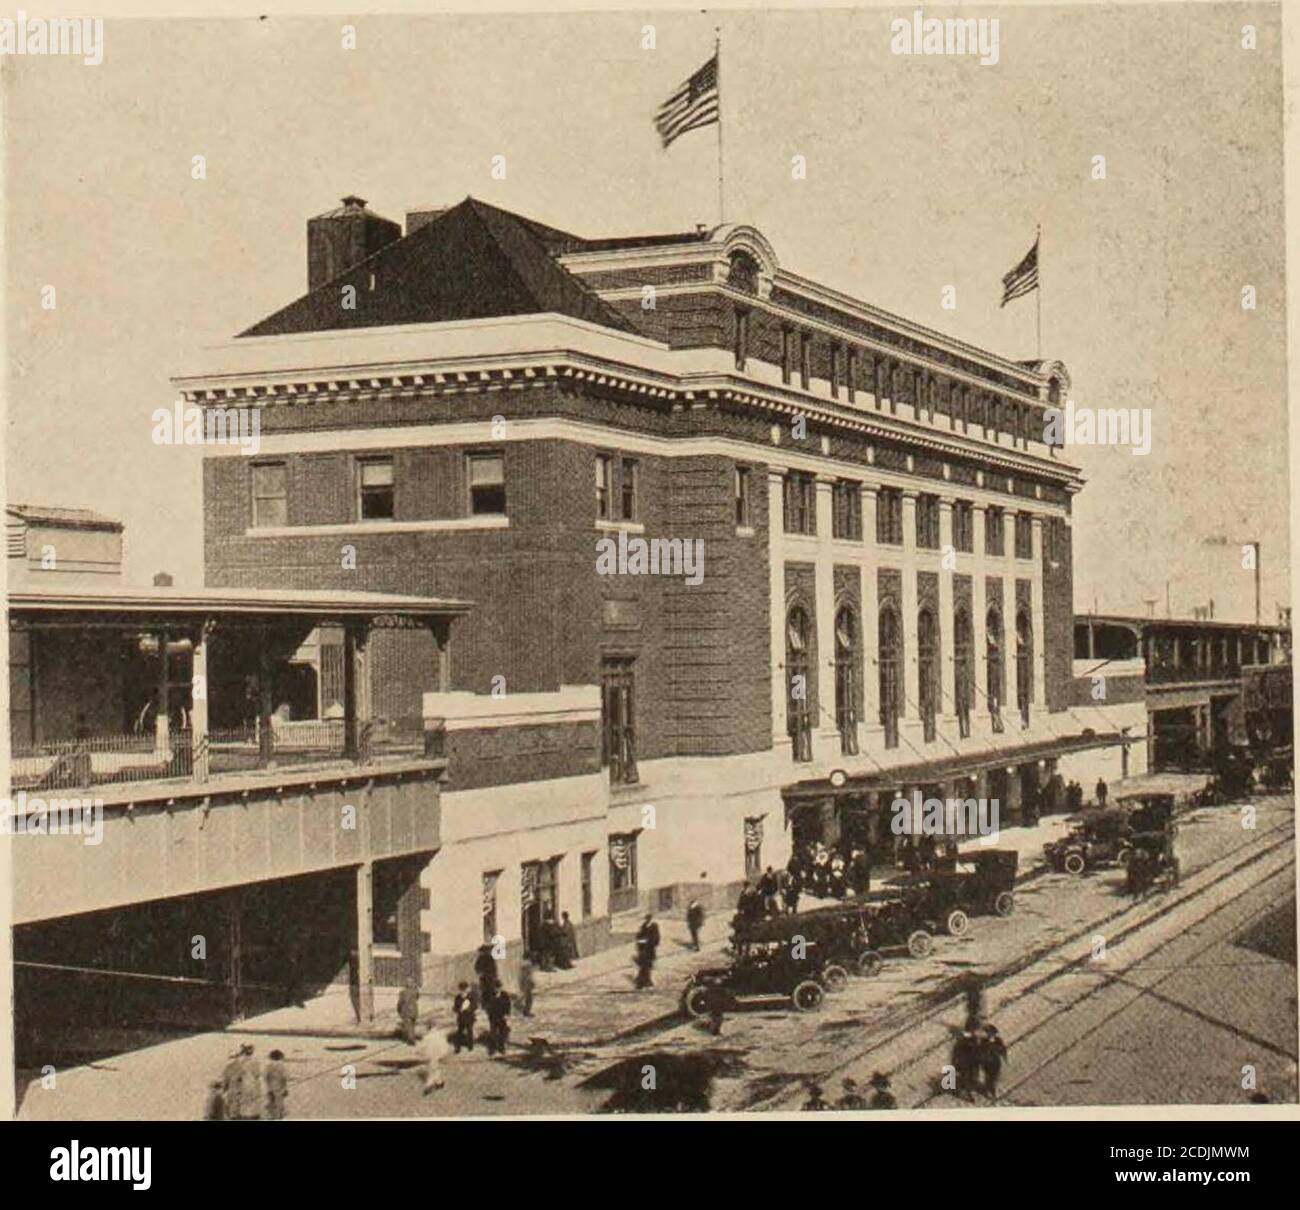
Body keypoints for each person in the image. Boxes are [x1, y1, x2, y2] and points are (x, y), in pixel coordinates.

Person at [220, 1042, 263, 1121]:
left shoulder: (234, 1064)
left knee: (234, 1110)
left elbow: (226, 1080)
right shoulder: (252, 1062)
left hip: (237, 1090)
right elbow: (256, 1075)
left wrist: (224, 1089)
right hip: (244, 1090)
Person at [417, 1021, 450, 1094]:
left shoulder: (427, 1037)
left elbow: (422, 1046)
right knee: (436, 1068)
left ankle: (429, 1085)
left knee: (431, 1069)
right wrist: (445, 1053)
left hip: (430, 1054)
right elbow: (445, 1045)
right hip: (439, 1054)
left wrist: (419, 1052)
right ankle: (439, 1082)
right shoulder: (441, 1035)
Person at [977, 1024, 1008, 1100]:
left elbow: (1003, 1050)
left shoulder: (998, 1040)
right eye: (988, 1033)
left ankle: (992, 1090)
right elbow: (980, 1052)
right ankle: (989, 1091)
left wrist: (1005, 1058)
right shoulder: (983, 1041)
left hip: (995, 1062)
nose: (989, 1034)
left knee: (994, 1077)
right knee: (988, 1078)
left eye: (990, 1033)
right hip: (987, 1063)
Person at [951, 1028, 981, 1102]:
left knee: (971, 1079)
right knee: (966, 1079)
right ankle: (968, 1094)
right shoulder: (960, 1045)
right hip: (966, 1066)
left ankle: (966, 1091)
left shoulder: (972, 1042)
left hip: (971, 1065)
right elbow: (956, 1056)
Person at [634, 913, 660, 989]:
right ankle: (645, 982)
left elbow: (656, 938)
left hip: (650, 950)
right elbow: (639, 936)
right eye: (646, 919)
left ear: (651, 919)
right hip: (643, 950)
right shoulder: (643, 926)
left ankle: (642, 982)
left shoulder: (654, 926)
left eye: (648, 919)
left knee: (646, 967)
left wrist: (648, 941)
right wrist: (640, 941)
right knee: (644, 966)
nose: (647, 920)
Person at [453, 981, 478, 1053]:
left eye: (464, 989)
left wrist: (468, 1009)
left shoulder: (471, 997)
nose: (462, 991)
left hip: (469, 1017)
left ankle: (470, 1046)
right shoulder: (458, 997)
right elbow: (455, 1008)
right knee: (459, 1032)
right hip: (461, 1018)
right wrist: (458, 1009)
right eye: (461, 989)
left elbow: (475, 1006)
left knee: (470, 1031)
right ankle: (458, 1047)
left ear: (467, 989)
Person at [486, 986, 512, 1056]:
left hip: (502, 1017)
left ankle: (501, 1048)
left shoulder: (505, 995)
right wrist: (489, 1013)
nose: (497, 989)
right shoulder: (490, 995)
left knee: (502, 1033)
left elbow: (508, 1005)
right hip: (493, 1017)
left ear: (500, 988)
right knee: (493, 1033)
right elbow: (488, 1005)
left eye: (498, 988)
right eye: (496, 988)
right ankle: (492, 1049)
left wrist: (507, 1014)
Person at [264, 1049, 288, 1121]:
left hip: (270, 1088)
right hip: (280, 1088)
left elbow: (266, 1078)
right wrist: (285, 1089)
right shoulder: (282, 1065)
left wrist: (269, 1089)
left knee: (271, 1107)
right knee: (279, 1107)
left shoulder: (268, 1065)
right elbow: (284, 1078)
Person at [396, 977, 420, 1045]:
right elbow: (418, 997)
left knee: (408, 1026)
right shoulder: (415, 992)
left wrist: (398, 1009)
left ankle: (410, 1040)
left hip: (406, 1011)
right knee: (412, 1025)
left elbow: (400, 1002)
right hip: (414, 1011)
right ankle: (411, 1038)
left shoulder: (403, 992)